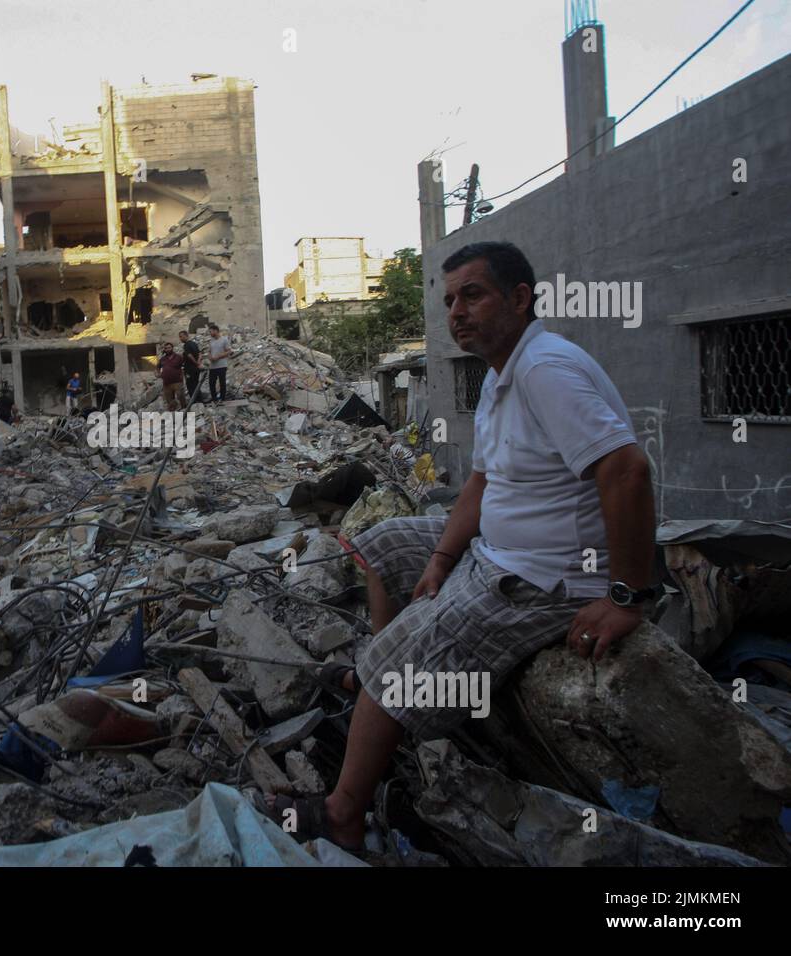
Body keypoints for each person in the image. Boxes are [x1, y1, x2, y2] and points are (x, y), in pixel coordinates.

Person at [266, 241, 658, 851]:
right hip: (491, 553)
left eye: (472, 295)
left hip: (540, 579)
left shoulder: (545, 370)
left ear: (520, 299)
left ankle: (345, 808)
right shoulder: (505, 374)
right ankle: (381, 676)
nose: (456, 311)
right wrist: (443, 558)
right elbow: (482, 479)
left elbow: (628, 470)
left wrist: (628, 597)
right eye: (449, 300)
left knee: (390, 677)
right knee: (383, 541)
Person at [206, 324, 233, 403]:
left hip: (221, 365)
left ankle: (222, 398)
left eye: (210, 332)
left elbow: (229, 351)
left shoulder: (224, 340)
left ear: (215, 331)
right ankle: (214, 399)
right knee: (211, 383)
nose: (210, 333)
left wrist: (218, 356)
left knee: (222, 383)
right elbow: (209, 351)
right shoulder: (211, 341)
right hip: (212, 366)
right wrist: (210, 356)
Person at [157, 342, 187, 411]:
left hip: (177, 381)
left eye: (169, 348)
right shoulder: (162, 359)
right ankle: (173, 414)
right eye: (166, 348)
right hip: (166, 383)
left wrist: (183, 374)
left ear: (172, 348)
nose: (167, 349)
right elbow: (157, 367)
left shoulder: (178, 357)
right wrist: (158, 373)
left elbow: (185, 365)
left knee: (180, 396)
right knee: (169, 401)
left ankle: (184, 410)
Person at [178, 330, 202, 402]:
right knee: (196, 384)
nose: (180, 338)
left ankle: (194, 401)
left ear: (186, 336)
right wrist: (198, 362)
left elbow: (189, 355)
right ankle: (200, 400)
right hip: (196, 369)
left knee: (190, 385)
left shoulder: (186, 345)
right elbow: (200, 353)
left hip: (189, 369)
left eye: (181, 336)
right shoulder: (194, 343)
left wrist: (195, 362)